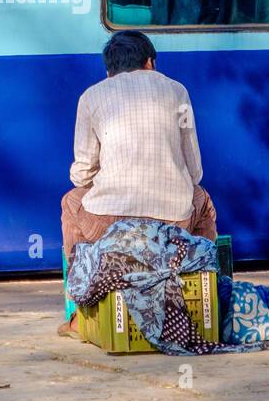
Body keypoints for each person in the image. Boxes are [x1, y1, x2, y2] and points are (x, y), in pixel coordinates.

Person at [58, 31, 217, 335]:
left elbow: (82, 173)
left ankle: (80, 313)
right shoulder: (177, 91)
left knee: (71, 202)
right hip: (173, 223)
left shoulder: (91, 96)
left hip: (109, 224)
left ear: (109, 71)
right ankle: (206, 300)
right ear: (150, 62)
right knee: (203, 201)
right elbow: (195, 171)